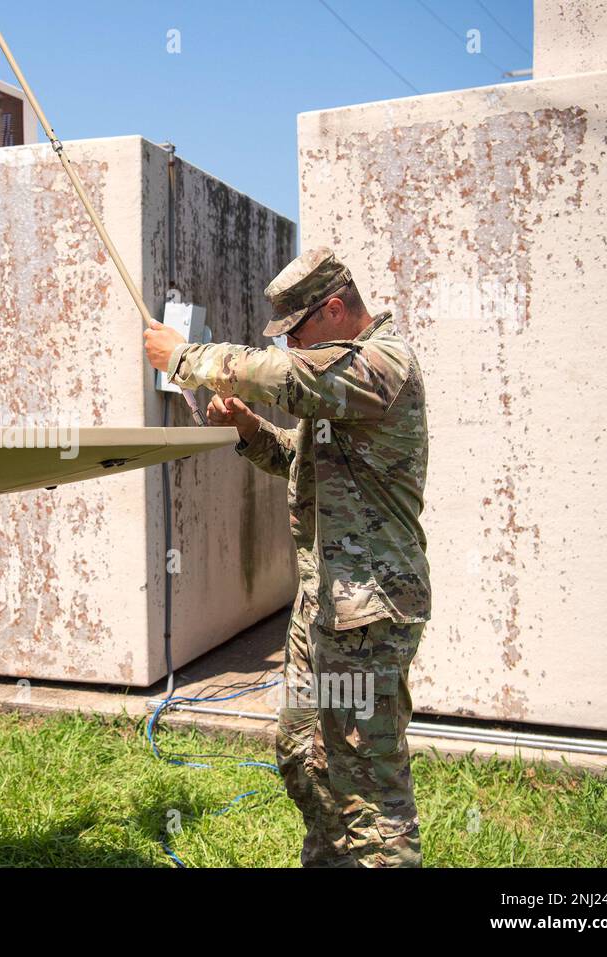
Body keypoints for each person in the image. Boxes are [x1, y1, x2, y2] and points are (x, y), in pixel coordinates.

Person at [143, 247, 430, 867]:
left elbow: (283, 377)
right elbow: (299, 462)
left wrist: (188, 359)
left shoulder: (382, 364)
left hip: (368, 613)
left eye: (297, 332)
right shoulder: (337, 383)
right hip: (321, 605)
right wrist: (249, 431)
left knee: (368, 789)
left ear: (333, 308)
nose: (293, 347)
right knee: (305, 756)